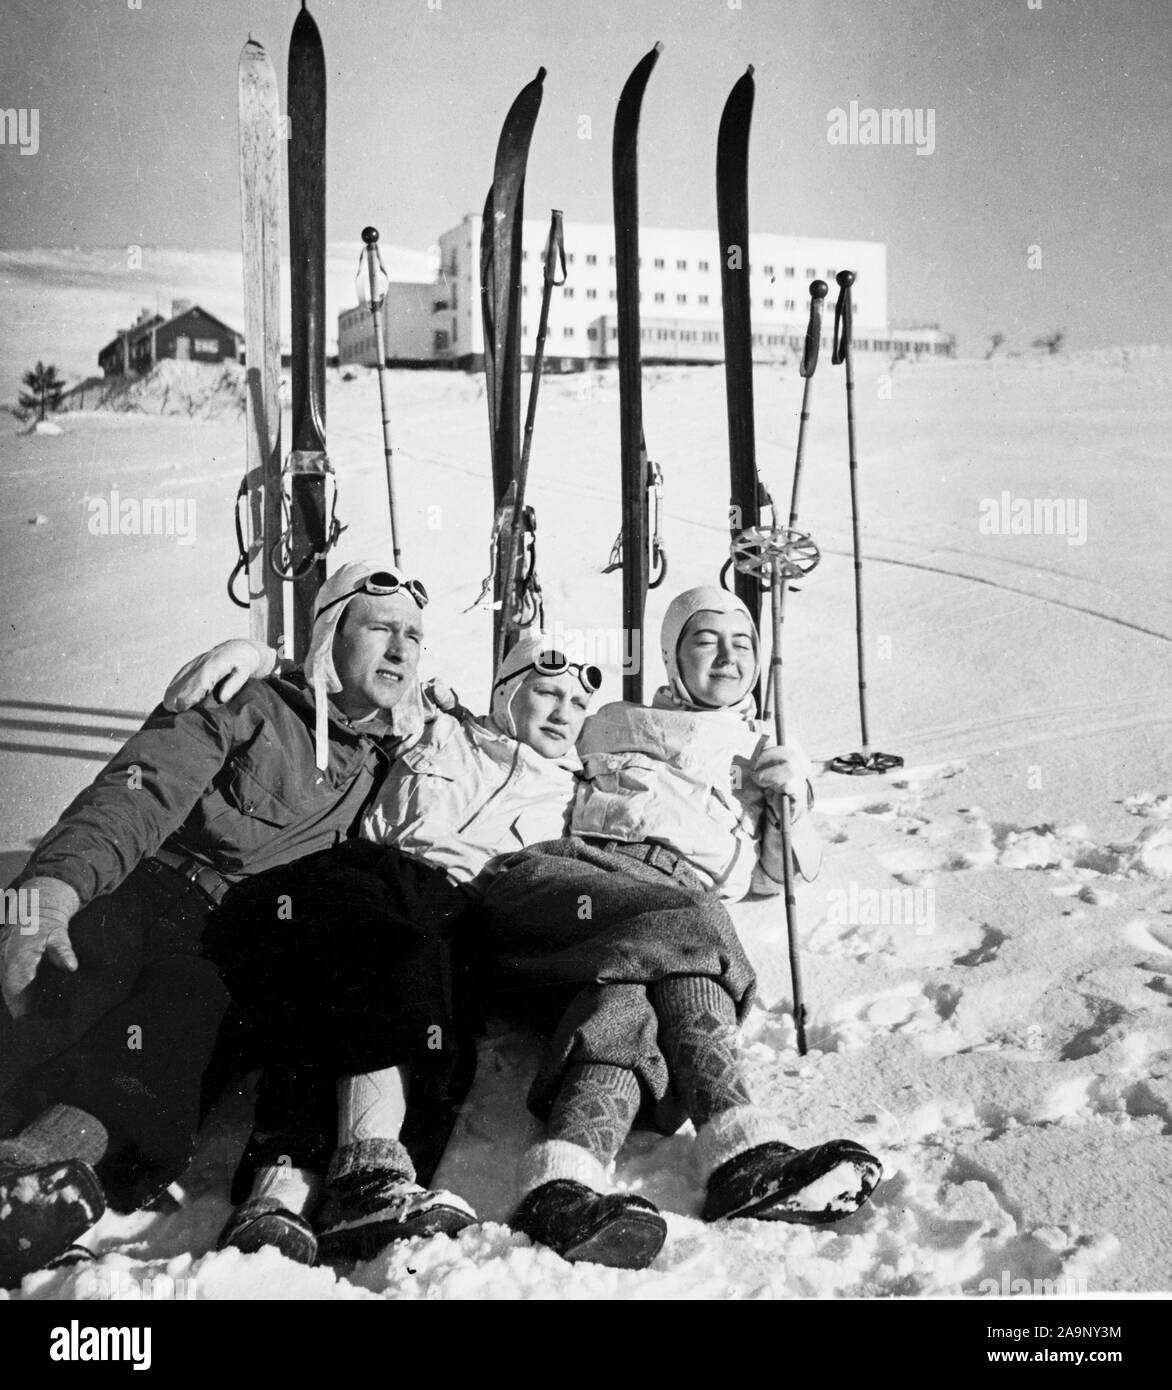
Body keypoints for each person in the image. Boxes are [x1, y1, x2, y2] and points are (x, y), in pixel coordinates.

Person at [0, 560, 452, 1286]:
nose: (401, 651)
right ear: (332, 633)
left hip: (225, 935)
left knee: (178, 1027)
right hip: (138, 888)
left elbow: (513, 732)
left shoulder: (388, 758)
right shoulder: (246, 701)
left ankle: (37, 1177)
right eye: (381, 630)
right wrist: (54, 885)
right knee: (69, 974)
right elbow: (139, 793)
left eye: (415, 637)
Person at [475, 587, 882, 1268]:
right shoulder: (605, 721)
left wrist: (793, 804)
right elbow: (516, 723)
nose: (727, 655)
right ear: (671, 653)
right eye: (705, 639)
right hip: (578, 879)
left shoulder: (761, 753)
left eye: (742, 642)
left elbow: (779, 876)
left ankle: (559, 1187)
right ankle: (740, 1145)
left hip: (650, 930)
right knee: (693, 919)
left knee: (626, 1007)